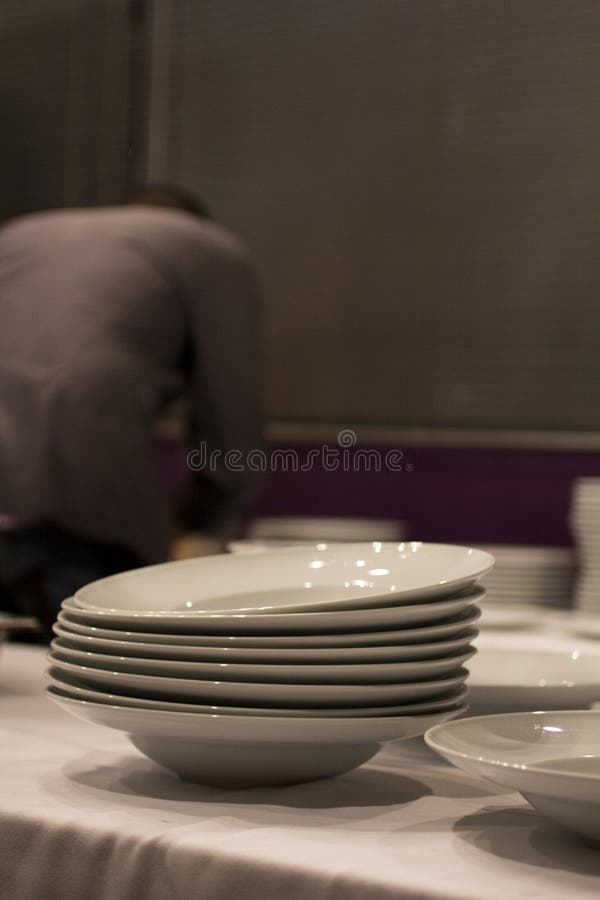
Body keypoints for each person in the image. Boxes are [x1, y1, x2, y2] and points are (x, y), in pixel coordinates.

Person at [0, 185, 262, 636]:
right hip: (76, 490)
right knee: (98, 662)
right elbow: (230, 415)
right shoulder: (213, 249)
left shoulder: (22, 232)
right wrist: (199, 521)